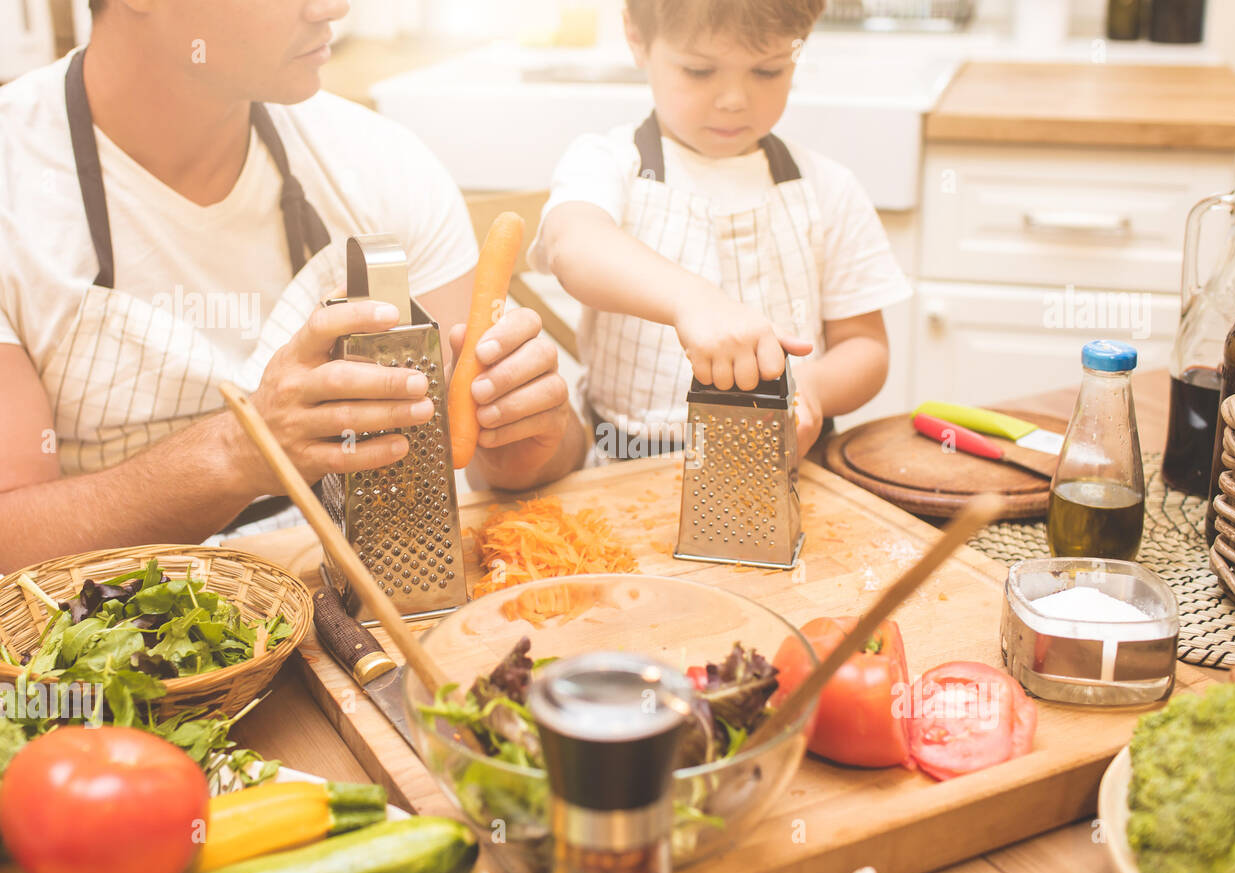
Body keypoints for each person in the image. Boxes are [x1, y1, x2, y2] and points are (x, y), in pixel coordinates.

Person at [0, 0, 588, 573]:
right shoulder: (17, 178)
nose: (334, 8)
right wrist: (238, 454)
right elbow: (10, 535)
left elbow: (486, 455)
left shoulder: (381, 162)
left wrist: (527, 446)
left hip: (361, 605)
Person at [530, 0, 911, 464]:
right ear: (636, 37)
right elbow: (574, 247)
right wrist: (694, 301)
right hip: (630, 464)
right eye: (698, 71)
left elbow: (865, 347)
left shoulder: (827, 187)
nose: (734, 99)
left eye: (767, 71)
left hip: (792, 465)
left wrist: (813, 388)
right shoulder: (607, 162)